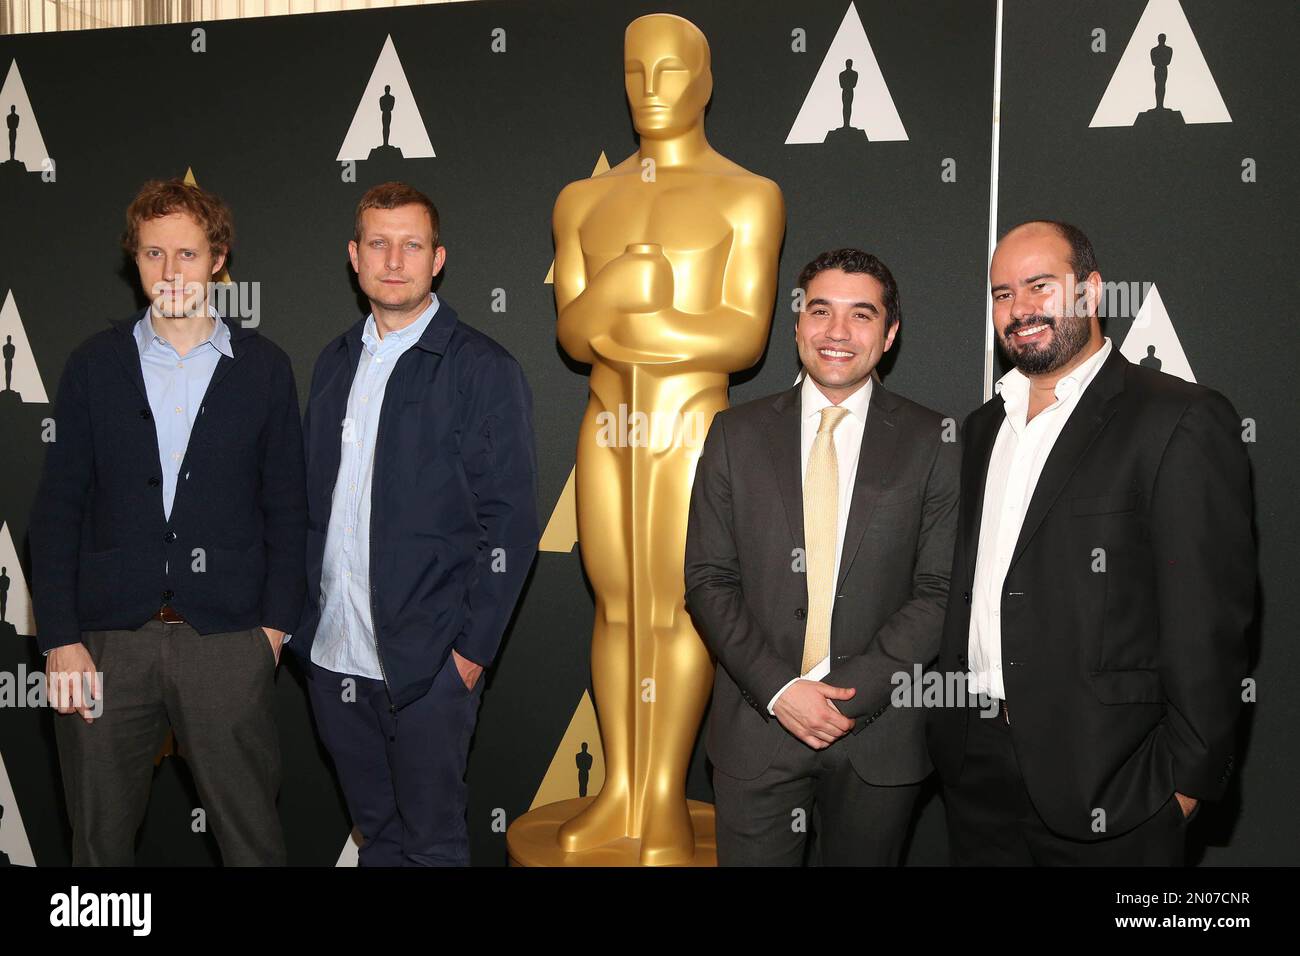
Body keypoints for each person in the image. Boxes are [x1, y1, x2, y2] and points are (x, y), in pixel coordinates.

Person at [927, 220, 1255, 865]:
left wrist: (1185, 782)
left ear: (1093, 291)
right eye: (1001, 294)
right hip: (976, 774)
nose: (1019, 309)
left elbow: (1210, 618)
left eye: (1039, 286)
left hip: (1115, 773)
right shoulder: (979, 429)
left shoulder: (1177, 418)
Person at [31, 178, 306, 865]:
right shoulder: (95, 366)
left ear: (217, 259)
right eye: (154, 254)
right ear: (136, 260)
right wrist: (61, 640)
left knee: (252, 842)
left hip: (226, 641)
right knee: (97, 844)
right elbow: (58, 508)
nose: (171, 271)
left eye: (187, 253)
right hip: (104, 649)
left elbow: (288, 509)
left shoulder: (264, 369)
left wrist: (269, 636)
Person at [685, 248, 960, 865]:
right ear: (797, 325)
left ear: (888, 335)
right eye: (820, 311)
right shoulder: (735, 433)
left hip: (878, 734)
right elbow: (708, 578)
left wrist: (847, 693)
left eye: (861, 316)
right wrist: (781, 690)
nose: (837, 332)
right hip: (757, 730)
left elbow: (940, 588)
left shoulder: (934, 440)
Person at [297, 181, 539, 866]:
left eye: (411, 244)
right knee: (378, 837)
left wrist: (469, 654)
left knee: (432, 845)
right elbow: (309, 503)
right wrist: (301, 625)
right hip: (334, 658)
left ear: (438, 259)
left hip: (429, 667)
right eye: (378, 242)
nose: (394, 259)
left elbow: (510, 522)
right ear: (354, 256)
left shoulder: (483, 369)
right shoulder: (333, 362)